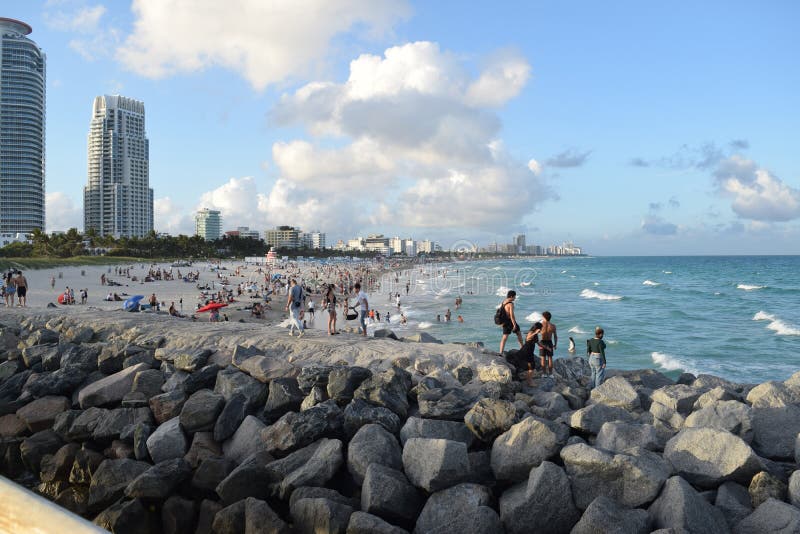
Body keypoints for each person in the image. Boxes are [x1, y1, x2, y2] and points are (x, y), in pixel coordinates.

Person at [498, 290, 524, 354]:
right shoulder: (511, 304)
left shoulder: (504, 302)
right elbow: (512, 315)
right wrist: (514, 324)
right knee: (519, 334)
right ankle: (522, 349)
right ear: (511, 296)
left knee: (504, 337)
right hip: (510, 321)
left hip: (504, 321)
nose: (515, 298)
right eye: (514, 297)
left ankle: (500, 352)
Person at [539, 311, 558, 378]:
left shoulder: (540, 325)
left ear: (544, 317)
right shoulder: (553, 326)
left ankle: (544, 373)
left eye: (542, 316)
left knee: (543, 359)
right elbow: (555, 336)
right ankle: (550, 374)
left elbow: (535, 333)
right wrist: (555, 344)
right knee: (550, 358)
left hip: (542, 343)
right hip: (549, 342)